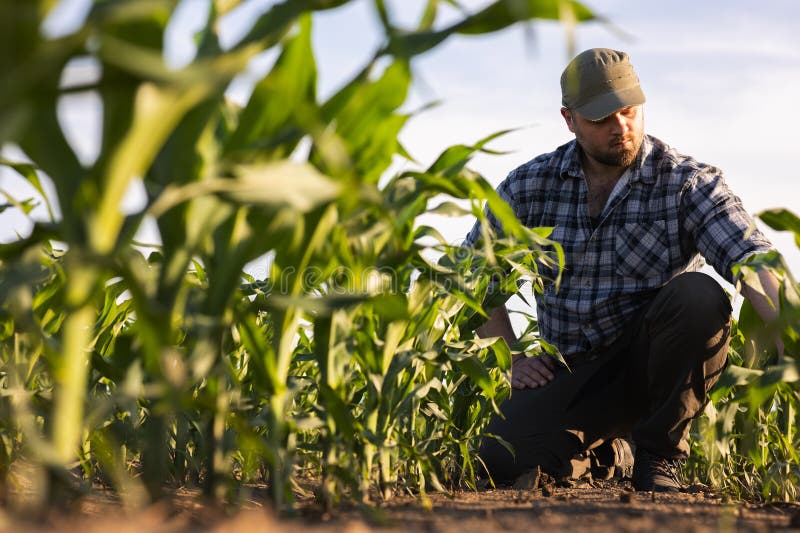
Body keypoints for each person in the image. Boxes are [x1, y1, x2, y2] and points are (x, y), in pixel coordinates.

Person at [463, 48, 782, 492]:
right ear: (569, 120)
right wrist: (511, 356)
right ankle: (610, 453)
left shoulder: (686, 182)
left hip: (653, 368)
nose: (621, 128)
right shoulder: (527, 187)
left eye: (630, 111)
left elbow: (752, 258)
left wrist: (792, 325)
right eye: (602, 118)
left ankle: (658, 455)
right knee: (497, 459)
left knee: (699, 296)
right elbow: (472, 279)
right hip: (570, 372)